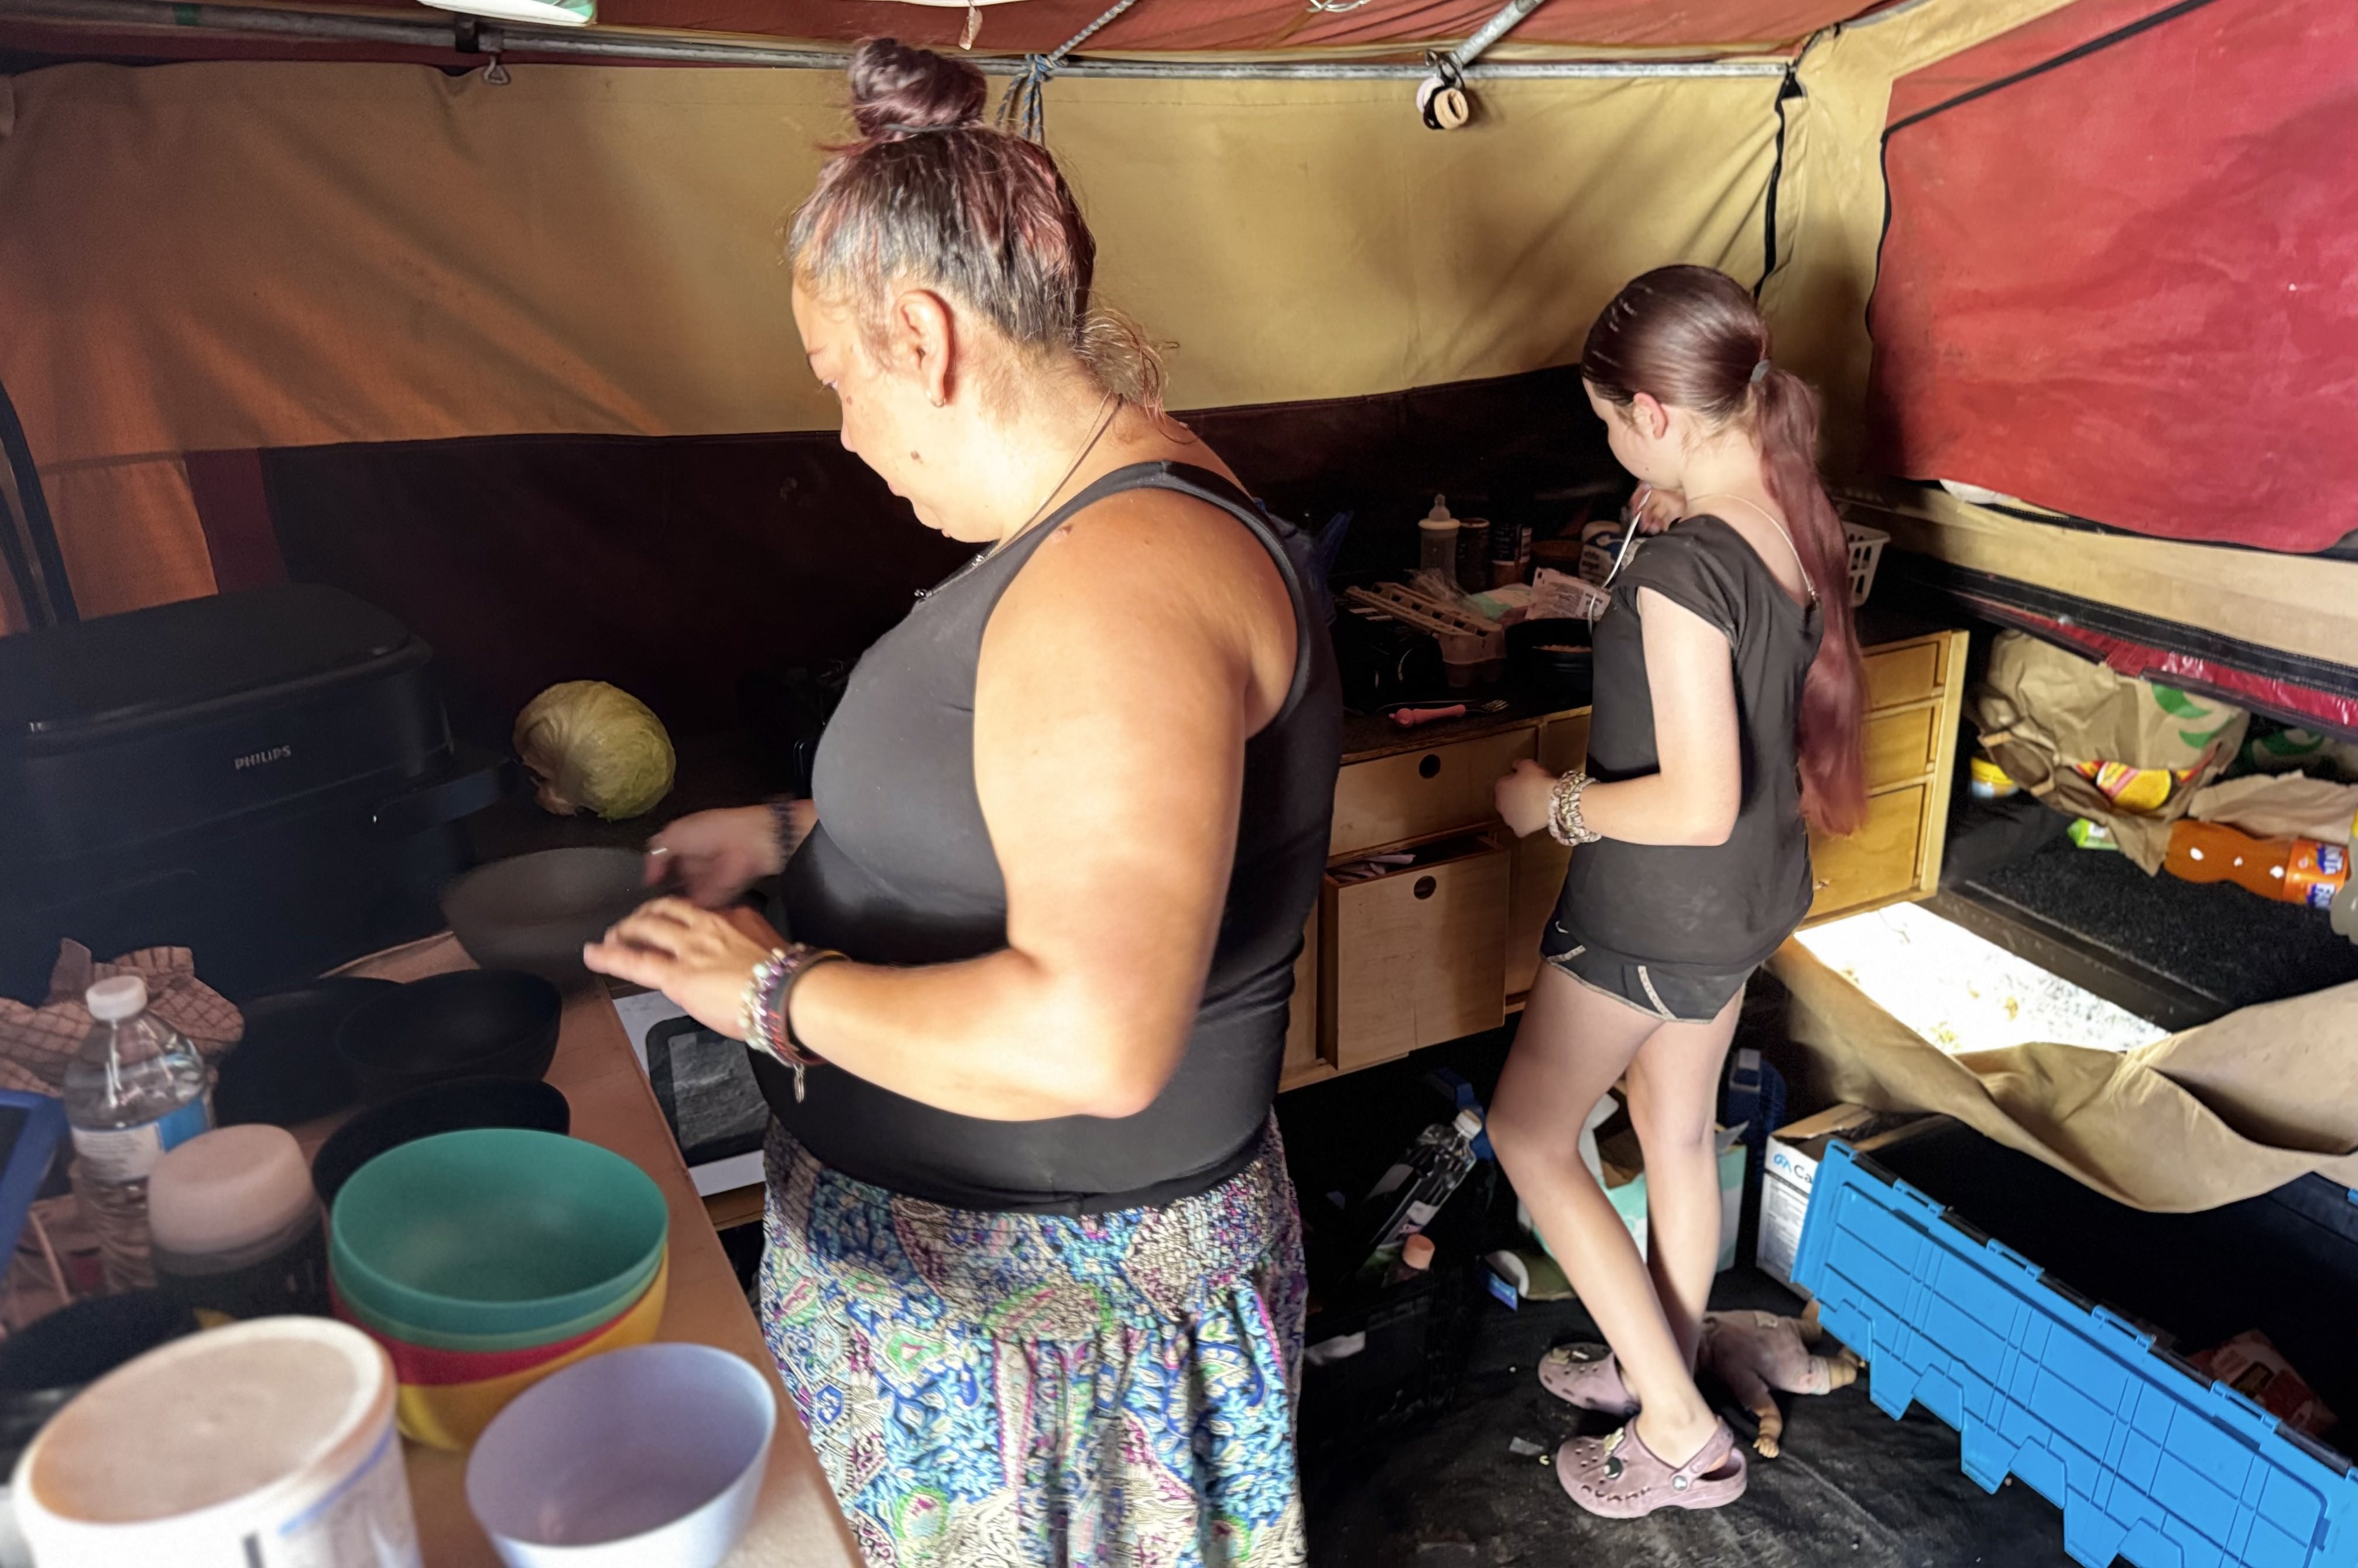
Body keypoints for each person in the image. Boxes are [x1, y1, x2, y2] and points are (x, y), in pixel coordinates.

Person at [581, 38, 1340, 1568]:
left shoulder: (1117, 585)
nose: (847, 434)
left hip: (1044, 1341)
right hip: (975, 1305)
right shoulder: (1113, 526)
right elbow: (1032, 824)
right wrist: (803, 840)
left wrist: (770, 988)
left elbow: (1089, 1036)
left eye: (833, 380)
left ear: (920, 336)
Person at [1485, 265, 1867, 1518]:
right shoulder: (1788, 520)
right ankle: (1657, 1343)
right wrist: (1672, 506)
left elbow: (1691, 798)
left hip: (1658, 901)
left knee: (1530, 1136)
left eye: (1608, 417)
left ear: (1655, 413)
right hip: (1750, 893)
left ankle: (1677, 1423)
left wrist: (1554, 808)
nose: (1606, 442)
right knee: (1675, 1132)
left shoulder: (1683, 572)